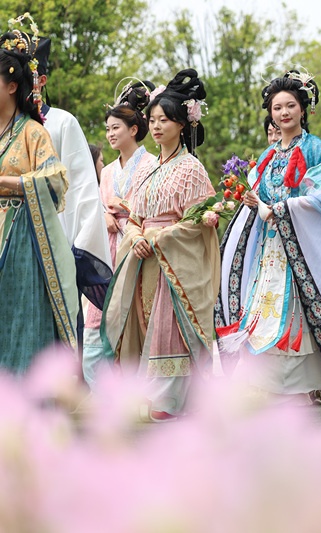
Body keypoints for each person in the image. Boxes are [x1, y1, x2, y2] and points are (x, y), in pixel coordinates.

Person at [216, 70, 321, 405]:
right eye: (277, 108)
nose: (283, 113)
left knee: (306, 309)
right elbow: (262, 195)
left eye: (290, 106)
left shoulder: (314, 148)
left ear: (304, 109)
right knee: (269, 308)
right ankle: (269, 382)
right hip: (272, 247)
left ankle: (316, 381)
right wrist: (253, 202)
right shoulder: (269, 155)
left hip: (303, 245)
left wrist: (282, 208)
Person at [101, 69, 220, 421]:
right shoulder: (151, 171)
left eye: (164, 119)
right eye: (152, 119)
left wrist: (160, 237)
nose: (156, 126)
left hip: (173, 262)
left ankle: (174, 396)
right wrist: (136, 237)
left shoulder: (192, 168)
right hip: (146, 259)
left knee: (170, 326)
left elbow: (199, 219)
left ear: (182, 124)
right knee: (146, 321)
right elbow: (135, 216)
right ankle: (153, 392)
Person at [0, 20, 77, 371]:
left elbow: (54, 180)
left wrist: (11, 183)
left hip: (19, 238)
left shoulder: (33, 132)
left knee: (18, 317)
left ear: (13, 86)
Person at [34, 36, 113, 336]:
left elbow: (83, 192)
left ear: (39, 80)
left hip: (56, 247)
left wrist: (77, 253)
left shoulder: (62, 123)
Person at [83, 79, 157, 388]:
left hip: (138, 250)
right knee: (95, 324)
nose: (111, 134)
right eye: (108, 129)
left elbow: (154, 211)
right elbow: (99, 207)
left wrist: (124, 213)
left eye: (116, 128)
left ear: (134, 130)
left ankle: (136, 389)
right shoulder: (109, 171)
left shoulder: (152, 164)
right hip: (109, 250)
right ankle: (103, 393)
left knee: (137, 319)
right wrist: (105, 215)